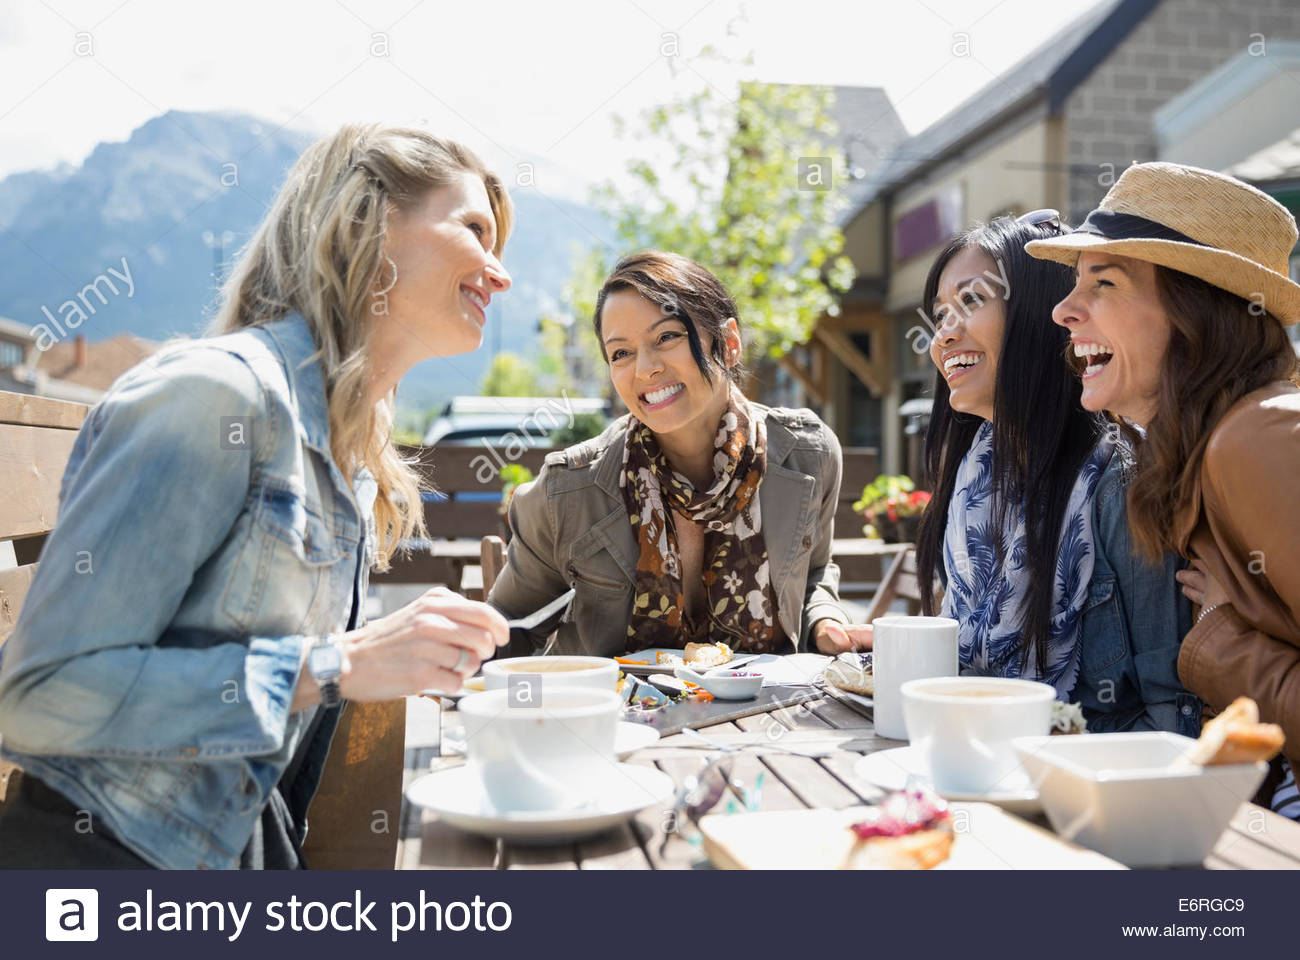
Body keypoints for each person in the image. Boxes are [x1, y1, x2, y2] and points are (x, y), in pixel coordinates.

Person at [0, 123, 514, 868]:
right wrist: (335, 665)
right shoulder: (219, 396)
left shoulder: (346, 457)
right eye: (474, 229)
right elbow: (37, 695)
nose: (500, 275)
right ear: (367, 219)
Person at [1026, 161, 1300, 816]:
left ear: (1192, 310)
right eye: (1074, 284)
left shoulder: (1255, 437)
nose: (1064, 311)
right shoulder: (1197, 448)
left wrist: (1218, 638)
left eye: (1105, 282)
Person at [487, 251, 870, 657]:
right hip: (623, 718)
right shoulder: (567, 491)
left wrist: (825, 622)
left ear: (729, 343)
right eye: (621, 353)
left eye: (667, 337)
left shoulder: (808, 455)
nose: (645, 369)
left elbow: (812, 574)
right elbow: (512, 627)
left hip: (767, 713)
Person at [914, 212, 1197, 734]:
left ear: (1044, 315)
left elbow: (1171, 714)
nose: (942, 338)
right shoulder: (973, 482)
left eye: (971, 302)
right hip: (973, 755)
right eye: (939, 315)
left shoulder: (1120, 486)